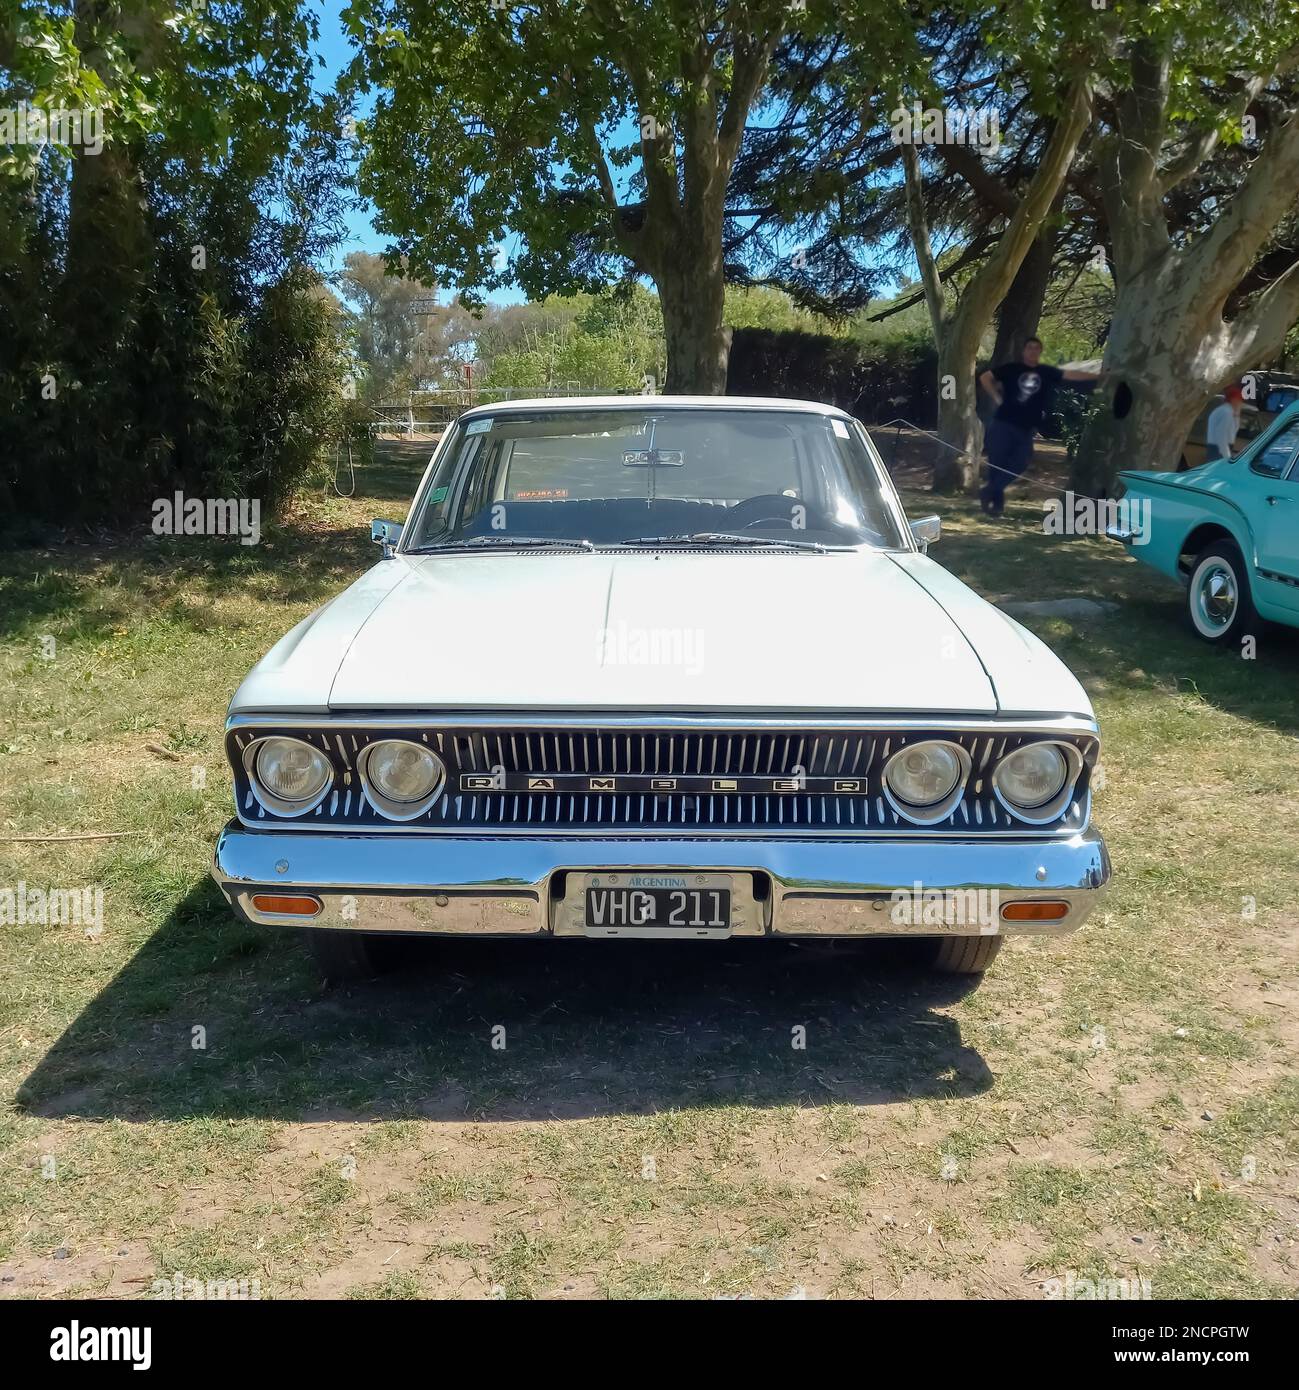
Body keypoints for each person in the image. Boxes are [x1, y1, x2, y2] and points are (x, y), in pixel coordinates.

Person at [977, 338, 1098, 515]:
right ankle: (995, 506)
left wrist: (1098, 376)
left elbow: (1071, 375)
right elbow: (985, 377)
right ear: (1024, 351)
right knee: (997, 463)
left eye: (1036, 348)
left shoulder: (1045, 372)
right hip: (1002, 423)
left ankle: (989, 491)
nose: (1033, 351)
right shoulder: (1011, 369)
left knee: (1020, 462)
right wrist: (996, 398)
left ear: (1040, 352)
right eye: (1030, 348)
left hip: (1026, 428)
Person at [1203, 384, 1244, 462]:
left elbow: (1234, 430)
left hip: (1218, 448)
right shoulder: (1226, 412)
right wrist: (1227, 458)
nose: (1240, 403)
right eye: (1239, 400)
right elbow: (1221, 436)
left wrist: (1237, 414)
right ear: (1233, 400)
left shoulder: (1227, 411)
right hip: (1219, 449)